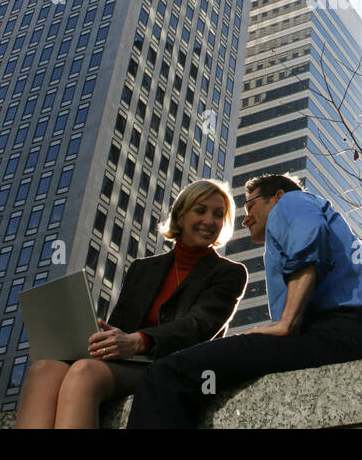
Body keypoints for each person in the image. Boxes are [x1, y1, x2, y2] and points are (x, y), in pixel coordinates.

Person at [126, 172, 362, 428]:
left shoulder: (291, 201)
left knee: (165, 376)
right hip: (348, 335)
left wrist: (287, 322)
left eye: (250, 205)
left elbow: (307, 242)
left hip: (343, 332)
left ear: (276, 196)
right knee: (207, 376)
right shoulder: (309, 218)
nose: (245, 219)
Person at [14, 179, 247, 428]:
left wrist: (139, 340)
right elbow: (118, 327)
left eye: (218, 215)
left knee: (84, 374)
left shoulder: (229, 272)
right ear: (179, 217)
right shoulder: (143, 269)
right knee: (44, 370)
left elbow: (198, 326)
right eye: (200, 211)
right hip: (130, 361)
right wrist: (66, 345)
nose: (210, 221)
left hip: (175, 365)